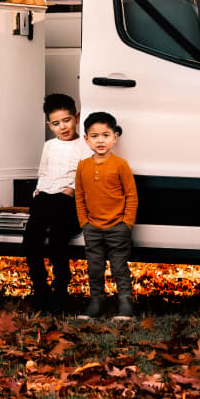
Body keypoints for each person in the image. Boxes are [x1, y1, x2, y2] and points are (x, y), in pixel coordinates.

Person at [24, 93, 85, 314]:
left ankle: (61, 290)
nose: (63, 127)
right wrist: (38, 190)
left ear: (76, 117)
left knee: (58, 240)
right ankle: (40, 289)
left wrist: (72, 190)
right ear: (50, 125)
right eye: (57, 123)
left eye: (67, 120)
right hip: (45, 194)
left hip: (66, 197)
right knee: (32, 238)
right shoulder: (49, 145)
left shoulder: (83, 145)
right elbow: (43, 170)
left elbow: (84, 173)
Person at [75, 111, 138, 321]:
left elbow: (131, 195)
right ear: (86, 139)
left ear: (115, 137)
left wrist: (126, 223)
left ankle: (125, 304)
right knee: (94, 267)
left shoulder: (121, 165)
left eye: (106, 135)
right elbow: (79, 196)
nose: (100, 140)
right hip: (92, 228)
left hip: (117, 227)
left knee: (119, 267)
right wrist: (84, 222)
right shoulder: (83, 166)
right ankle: (95, 302)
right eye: (94, 136)